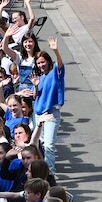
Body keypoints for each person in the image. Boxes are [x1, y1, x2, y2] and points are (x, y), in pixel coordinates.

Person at [32, 37, 66, 169]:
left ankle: (50, 173)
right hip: (38, 114)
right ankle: (42, 170)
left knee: (49, 145)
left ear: (48, 61)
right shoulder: (39, 77)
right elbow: (35, 97)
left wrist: (56, 51)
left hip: (51, 113)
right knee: (40, 144)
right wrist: (35, 86)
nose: (41, 65)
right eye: (38, 63)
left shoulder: (55, 74)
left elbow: (60, 65)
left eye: (43, 62)